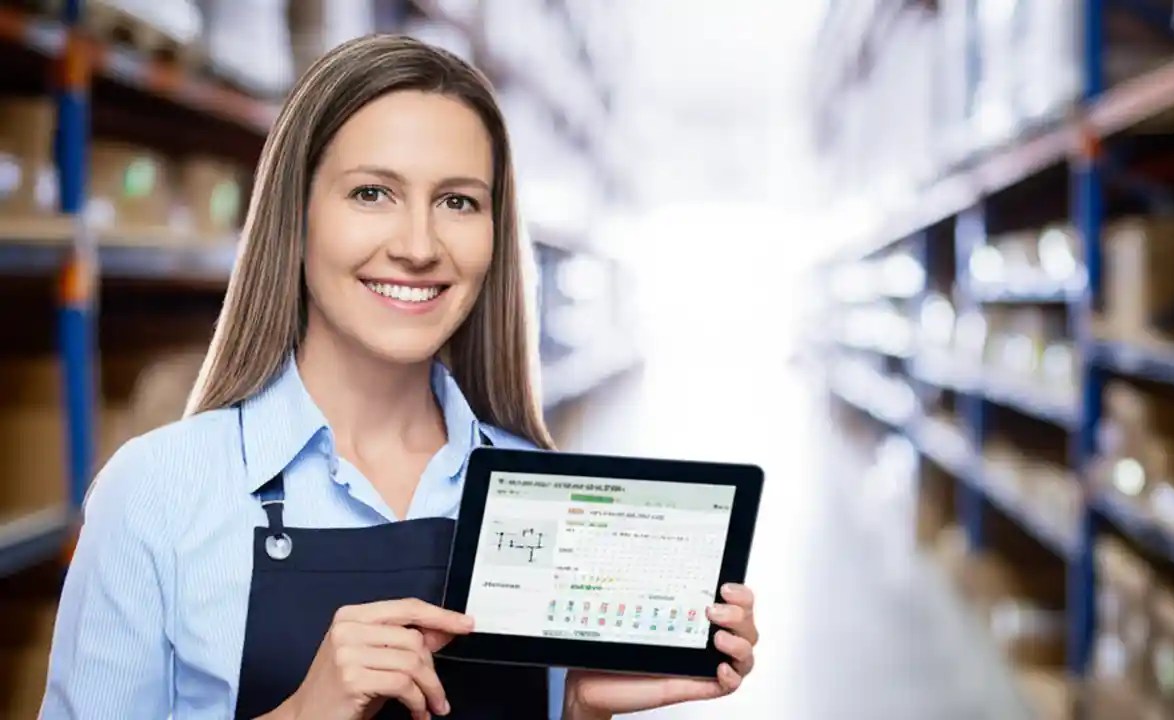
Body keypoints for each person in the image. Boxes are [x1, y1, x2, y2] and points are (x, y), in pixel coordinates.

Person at [39, 35, 758, 720]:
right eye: (372, 193)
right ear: (298, 216)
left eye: (458, 202)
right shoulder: (157, 494)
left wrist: (581, 708)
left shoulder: (538, 492)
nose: (418, 246)